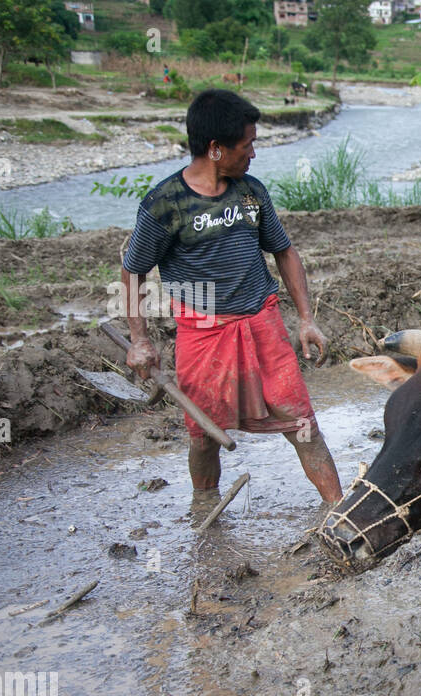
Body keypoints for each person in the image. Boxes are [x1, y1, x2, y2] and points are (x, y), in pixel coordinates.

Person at [120, 88, 342, 504]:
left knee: (303, 424)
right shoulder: (164, 204)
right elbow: (133, 270)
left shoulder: (250, 192)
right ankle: (205, 514)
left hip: (263, 324)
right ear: (216, 149)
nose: (253, 154)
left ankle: (340, 512)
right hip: (204, 334)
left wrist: (307, 319)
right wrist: (140, 341)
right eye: (247, 144)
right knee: (203, 435)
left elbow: (284, 251)